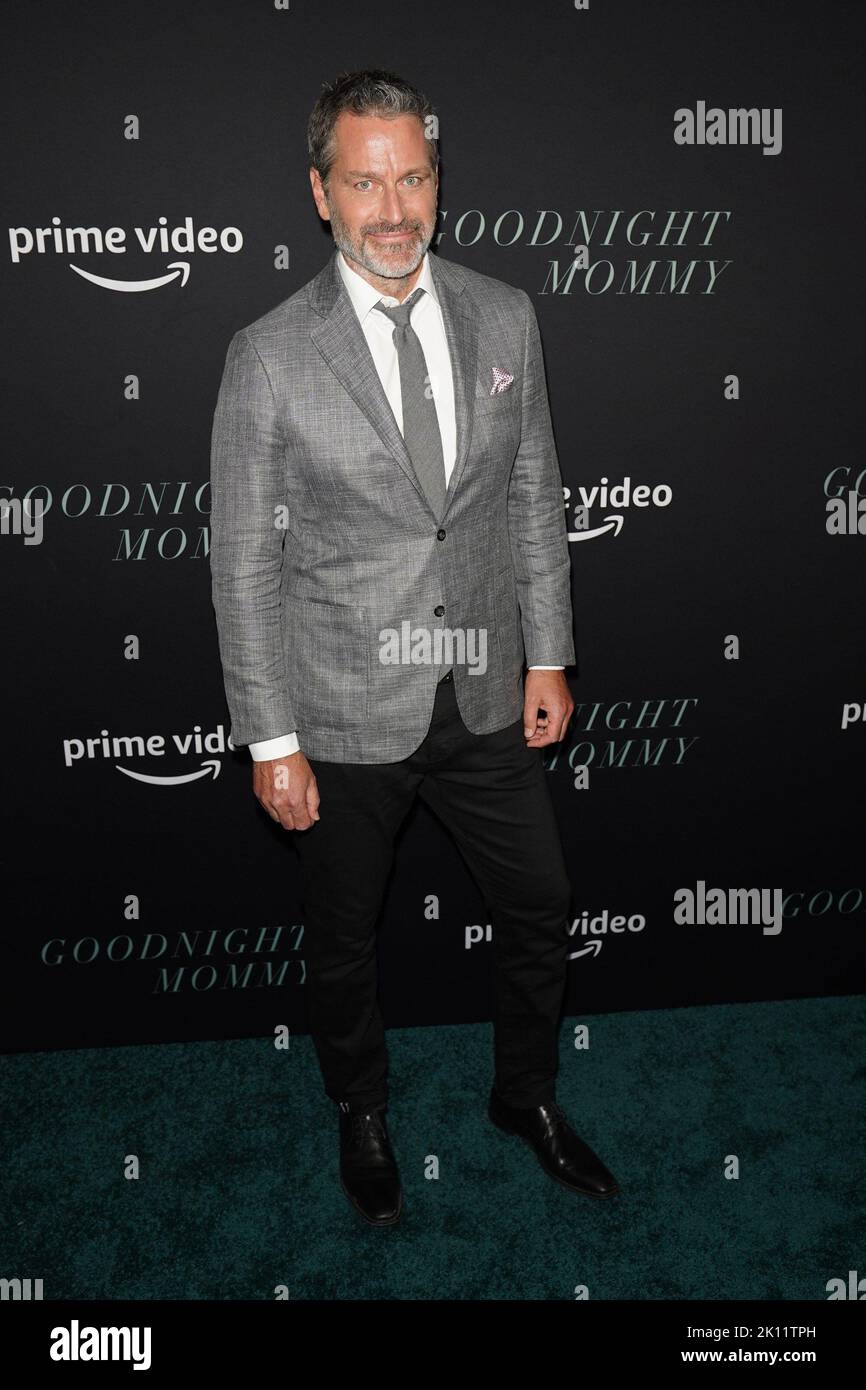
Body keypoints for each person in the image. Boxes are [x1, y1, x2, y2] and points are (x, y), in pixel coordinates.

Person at [210, 69, 619, 1225]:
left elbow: (532, 492)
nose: (392, 209)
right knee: (344, 938)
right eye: (362, 182)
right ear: (319, 194)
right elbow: (243, 560)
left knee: (541, 901)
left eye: (413, 176)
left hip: (485, 685)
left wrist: (549, 655)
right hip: (342, 707)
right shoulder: (269, 353)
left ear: (437, 179)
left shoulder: (505, 314)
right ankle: (361, 1110)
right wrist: (270, 737)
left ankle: (524, 1096)